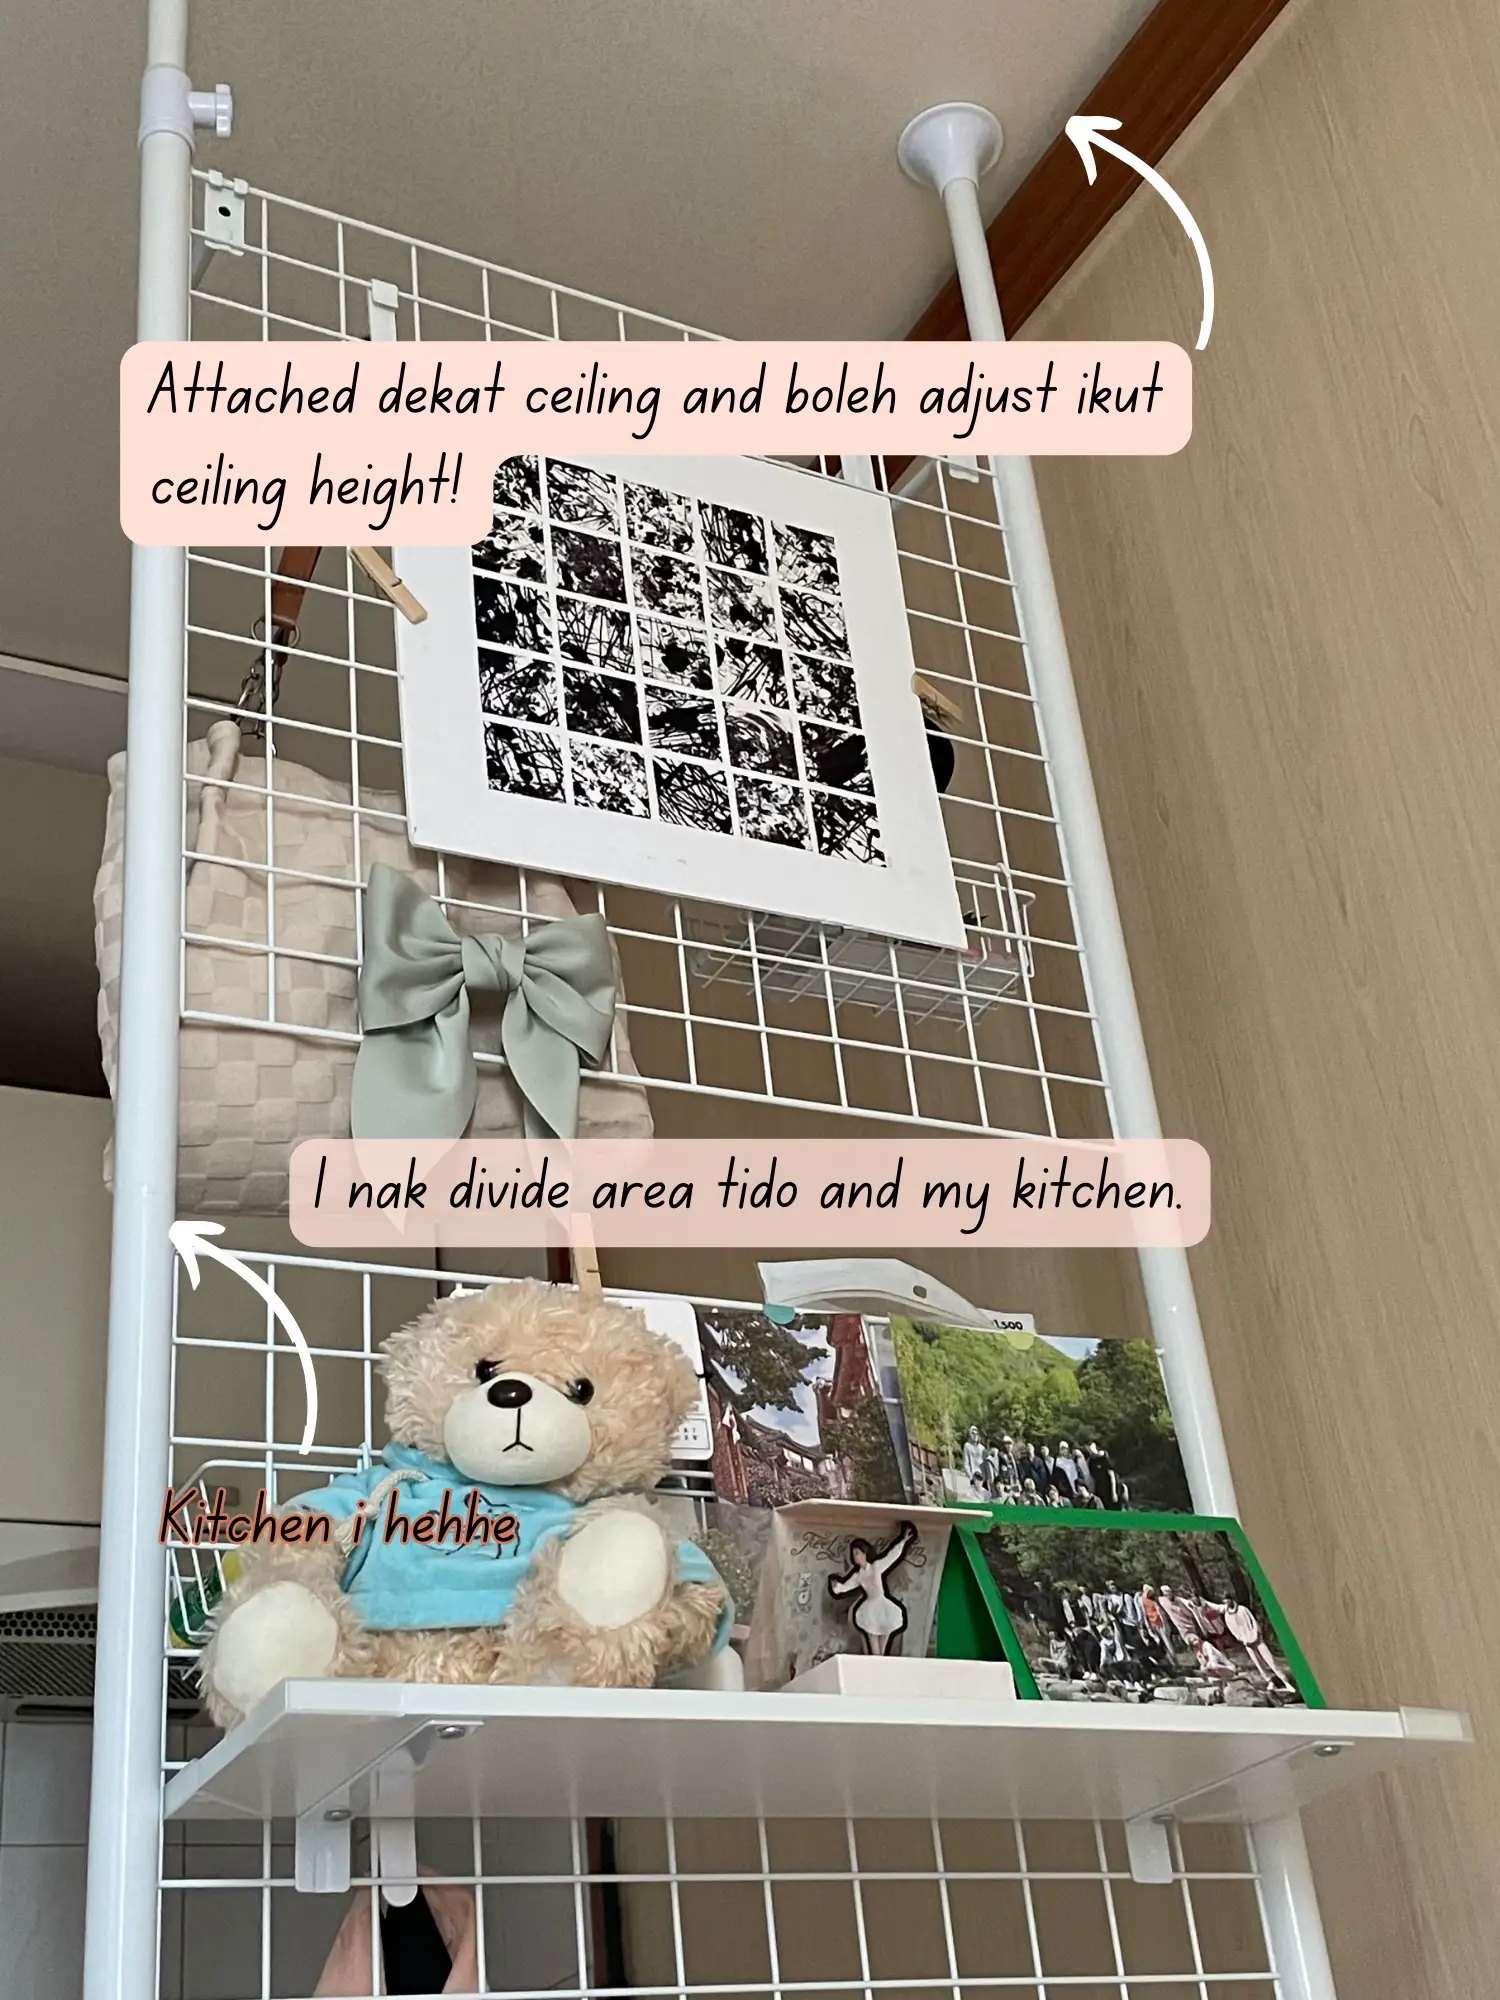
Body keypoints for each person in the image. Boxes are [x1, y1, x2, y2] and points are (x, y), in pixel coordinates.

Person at [828, 1523, 918, 1657]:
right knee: (873, 1640)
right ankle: (876, 1662)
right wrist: (836, 1587)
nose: (856, 1557)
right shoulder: (858, 1575)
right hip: (870, 1608)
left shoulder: (876, 1566)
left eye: (857, 1553)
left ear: (864, 1553)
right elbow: (845, 1586)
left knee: (885, 1639)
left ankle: (881, 1663)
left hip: (882, 1604)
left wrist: (903, 1541)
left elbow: (891, 1557)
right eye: (854, 1554)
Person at [1221, 1596, 1298, 1693]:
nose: (1226, 1603)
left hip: (1257, 1639)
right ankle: (1270, 1681)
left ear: (1231, 1600)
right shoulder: (1227, 1616)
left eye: (1227, 1600)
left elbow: (1253, 1621)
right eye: (1224, 1602)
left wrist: (1256, 1633)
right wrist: (1242, 1640)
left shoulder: (1243, 1609)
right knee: (1258, 1663)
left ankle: (1285, 1681)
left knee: (1270, 1659)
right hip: (1247, 1643)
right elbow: (1233, 1631)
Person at [961, 1426, 987, 1496]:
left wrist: (985, 1476)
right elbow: (966, 1463)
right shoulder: (967, 1446)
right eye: (973, 1433)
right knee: (974, 1496)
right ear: (970, 1435)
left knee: (983, 1496)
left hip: (982, 1477)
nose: (975, 1435)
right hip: (973, 1476)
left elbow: (985, 1463)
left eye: (976, 1434)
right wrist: (970, 1476)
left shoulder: (982, 1448)